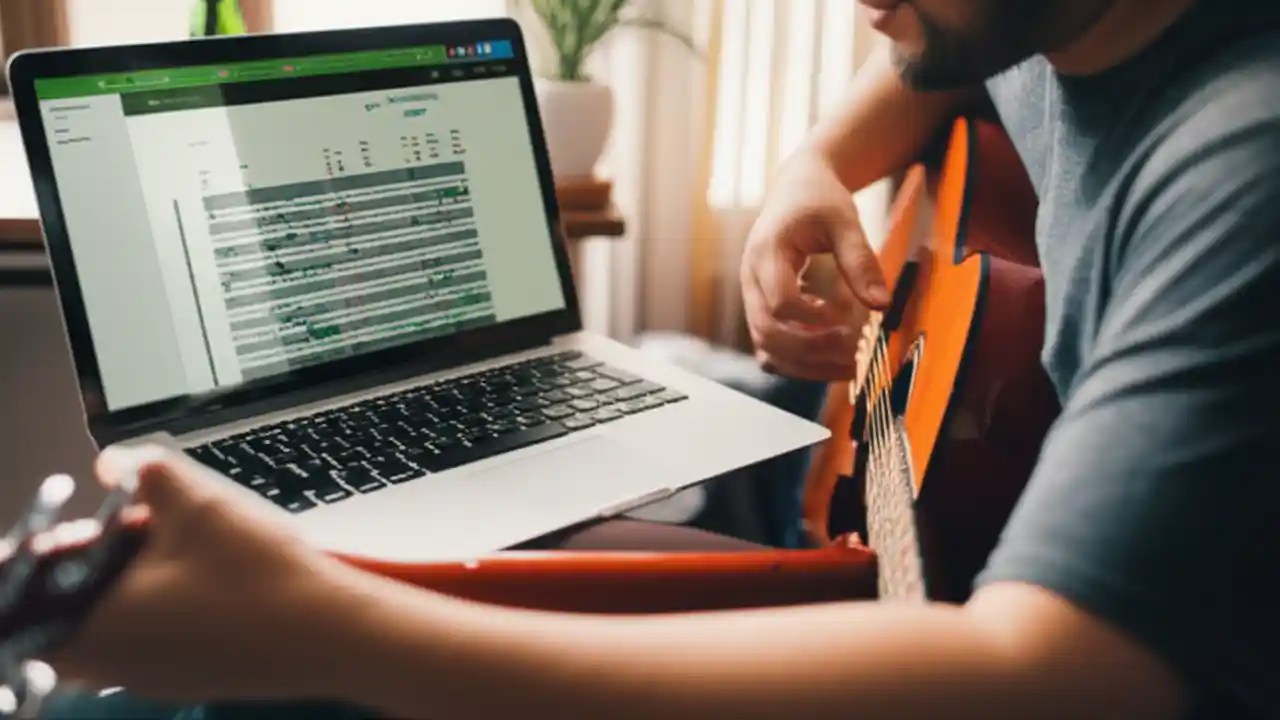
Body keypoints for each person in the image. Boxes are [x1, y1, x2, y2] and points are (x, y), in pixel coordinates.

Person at [44, 0, 1280, 717]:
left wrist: (325, 630)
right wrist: (809, 170)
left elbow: (1057, 679)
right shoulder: (1043, 20)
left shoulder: (1241, 162)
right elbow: (930, 58)